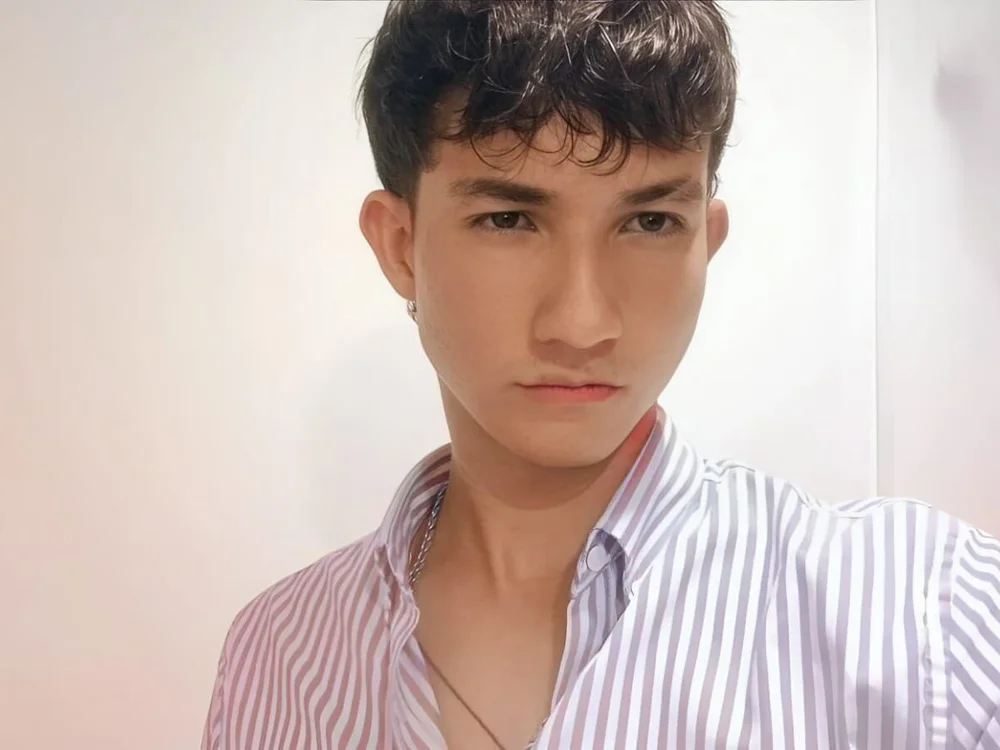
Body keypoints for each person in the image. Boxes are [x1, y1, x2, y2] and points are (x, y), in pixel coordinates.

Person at [201, 1, 1000, 748]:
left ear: (706, 242)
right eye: (509, 219)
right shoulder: (278, 655)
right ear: (400, 246)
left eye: (650, 221)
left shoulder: (929, 621)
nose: (583, 324)